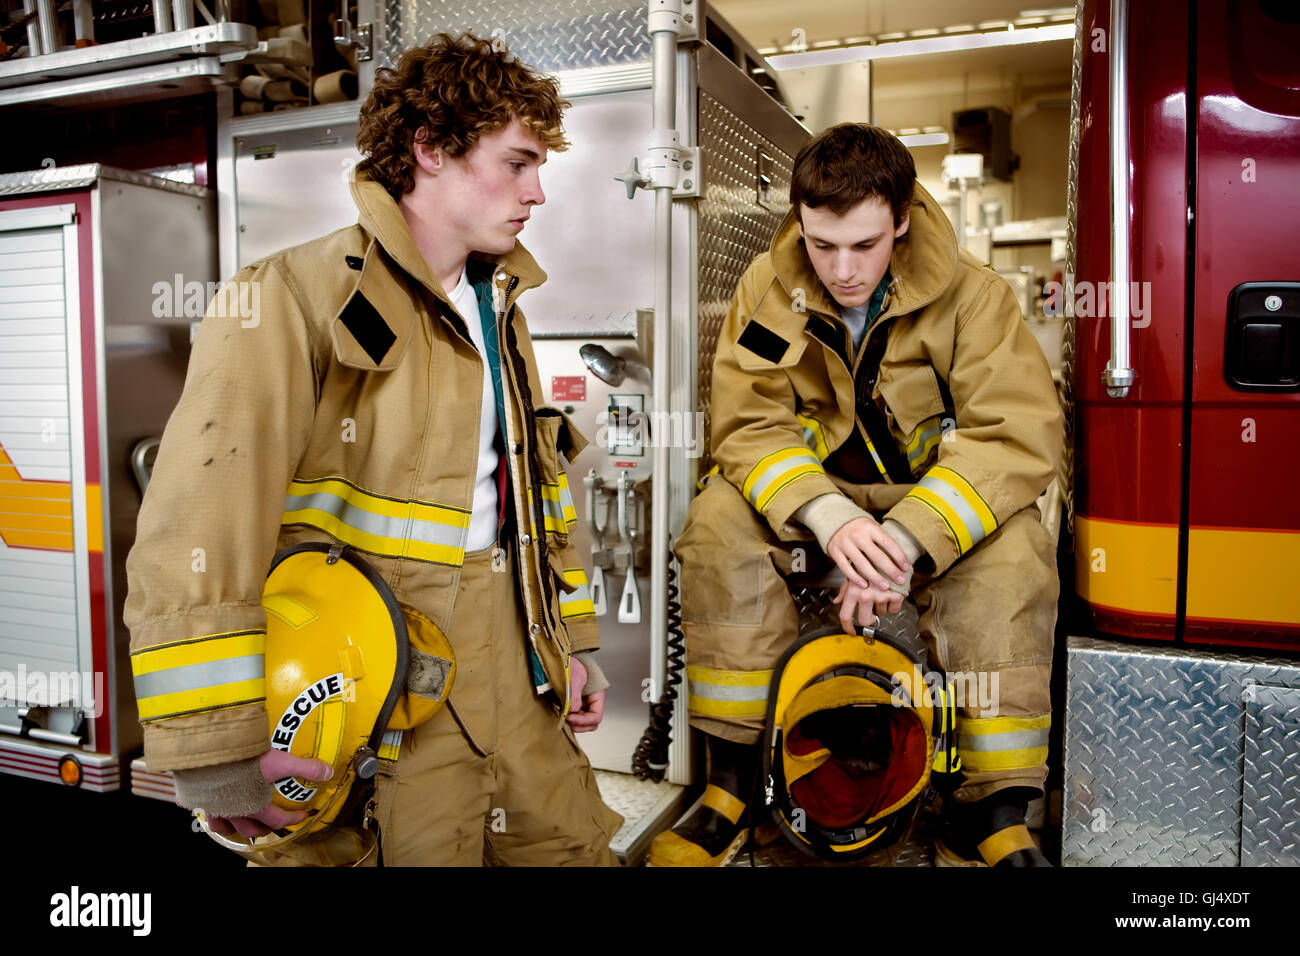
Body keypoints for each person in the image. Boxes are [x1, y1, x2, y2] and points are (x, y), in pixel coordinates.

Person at [124, 31, 623, 866]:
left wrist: (571, 646)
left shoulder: (503, 311)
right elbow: (202, 524)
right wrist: (213, 753)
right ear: (430, 149)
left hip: (523, 678)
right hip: (380, 685)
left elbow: (535, 500)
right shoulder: (289, 299)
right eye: (517, 163)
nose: (538, 193)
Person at [650, 123, 1062, 867]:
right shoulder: (766, 291)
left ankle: (994, 813)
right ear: (799, 223)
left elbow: (1016, 437)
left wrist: (904, 540)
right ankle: (732, 789)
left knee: (1019, 554)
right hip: (818, 501)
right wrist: (827, 513)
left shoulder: (975, 295)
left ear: (901, 221)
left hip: (929, 499)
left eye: (864, 245)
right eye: (821, 244)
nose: (841, 270)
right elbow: (747, 425)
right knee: (715, 522)